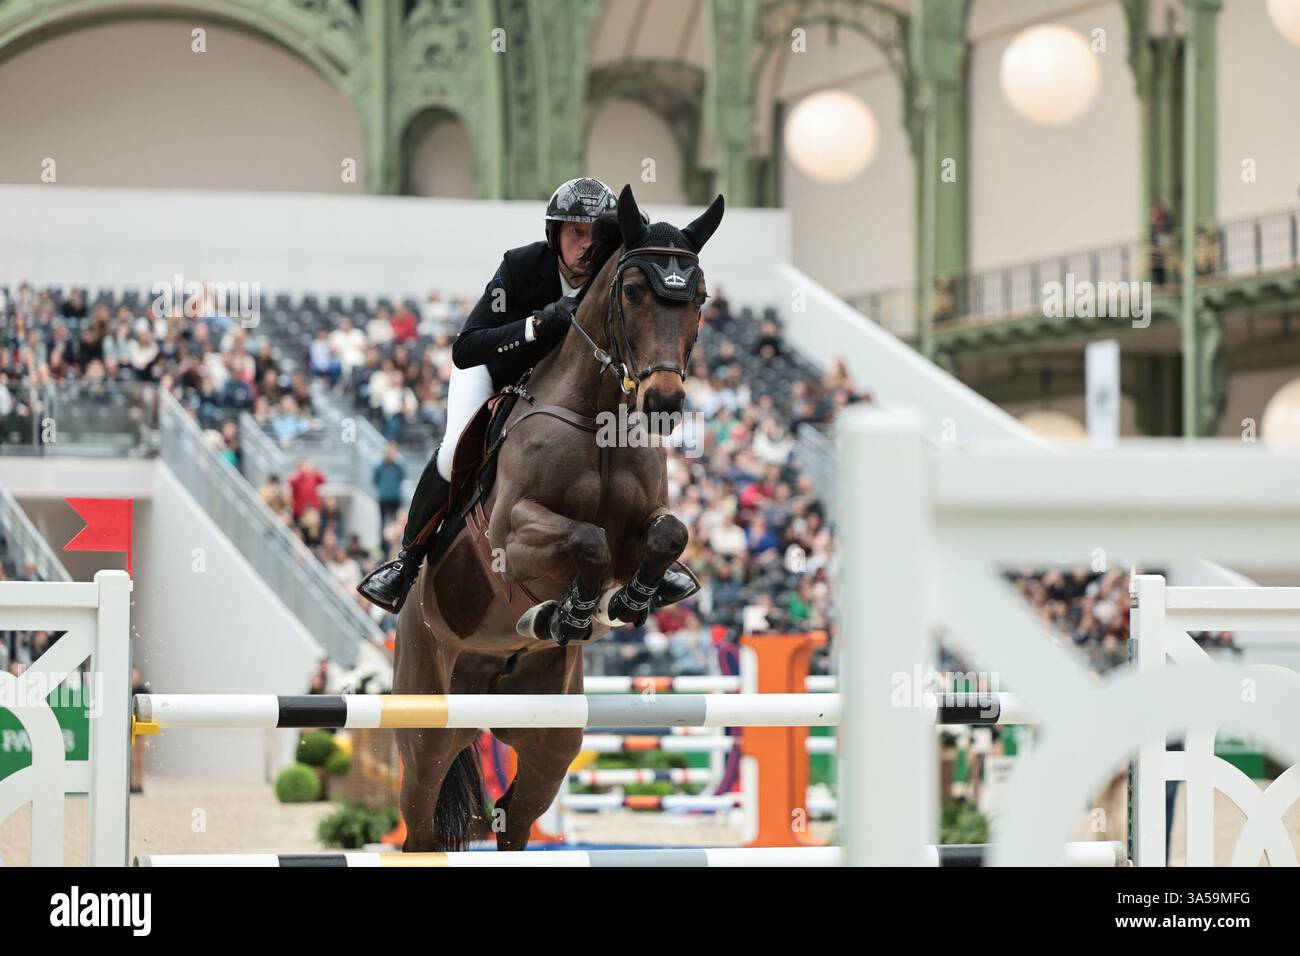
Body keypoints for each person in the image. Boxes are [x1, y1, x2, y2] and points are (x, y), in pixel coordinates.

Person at [359, 177, 693, 614]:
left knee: (629, 435)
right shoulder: (520, 267)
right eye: (575, 233)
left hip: (575, 396)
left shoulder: (619, 277)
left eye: (596, 234)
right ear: (554, 235)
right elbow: (466, 347)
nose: (587, 246)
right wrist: (536, 326)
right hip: (498, 374)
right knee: (451, 452)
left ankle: (651, 558)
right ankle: (407, 561)